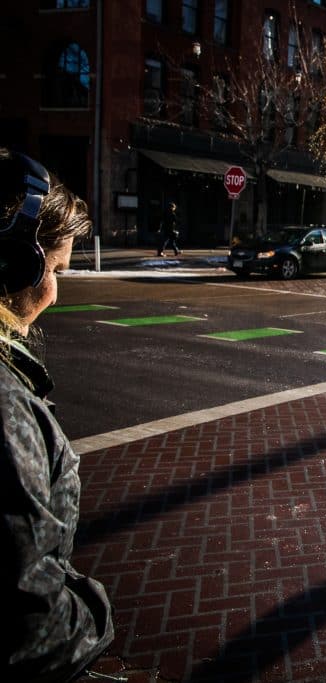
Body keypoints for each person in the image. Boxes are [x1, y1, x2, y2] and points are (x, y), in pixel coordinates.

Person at [0, 149, 114, 680]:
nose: (54, 292)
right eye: (55, 270)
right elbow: (28, 623)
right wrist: (96, 614)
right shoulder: (6, 414)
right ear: (15, 264)